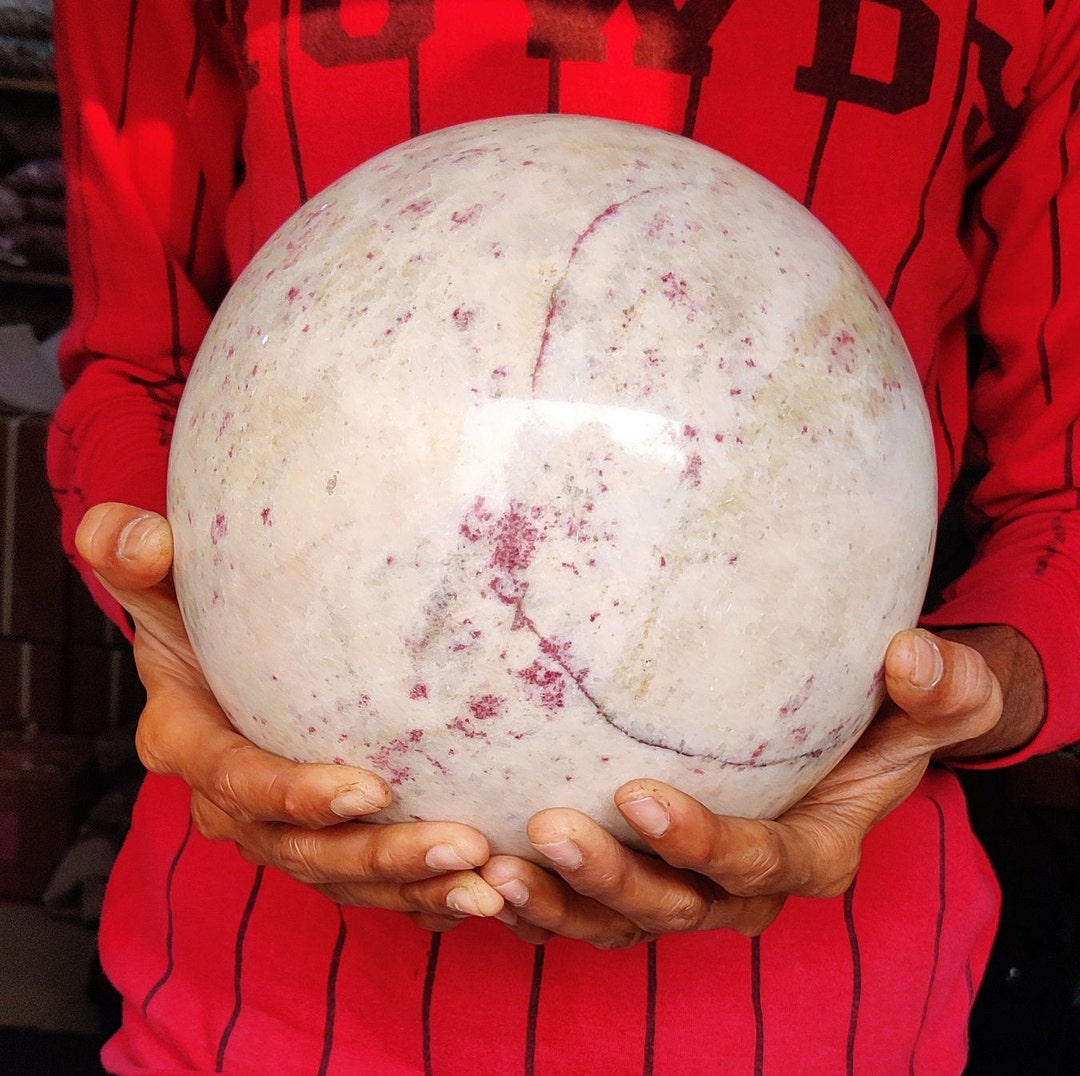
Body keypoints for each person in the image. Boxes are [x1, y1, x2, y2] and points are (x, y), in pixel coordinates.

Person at [47, 2, 1080, 1073]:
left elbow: (1064, 505)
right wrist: (168, 619)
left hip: (821, 1009)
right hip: (255, 1002)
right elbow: (138, 370)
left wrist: (965, 694)